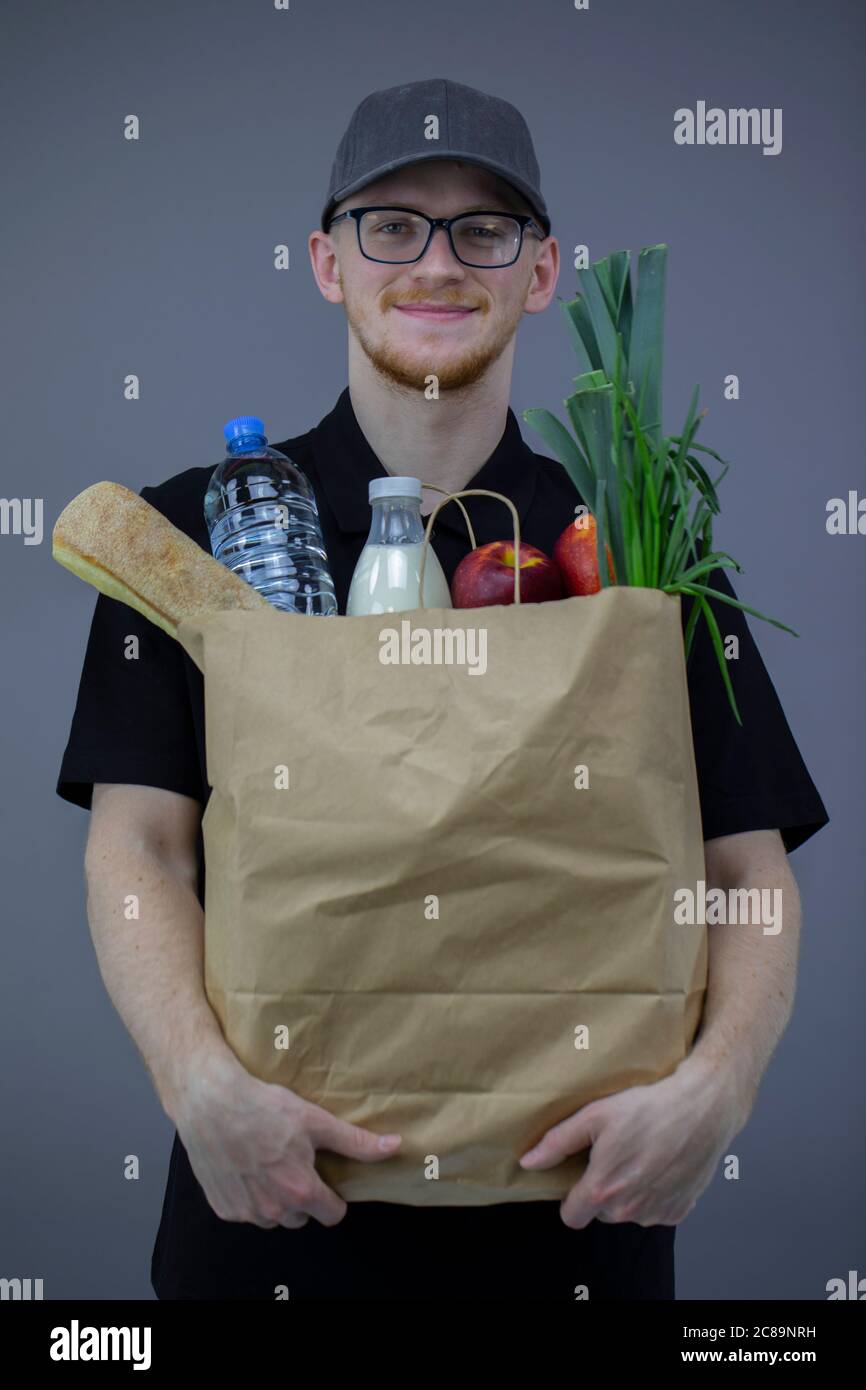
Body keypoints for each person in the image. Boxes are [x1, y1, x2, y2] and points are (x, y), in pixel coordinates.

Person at [56, 77, 829, 1300]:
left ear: (540, 270)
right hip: (269, 1233)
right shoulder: (195, 538)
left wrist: (716, 1089)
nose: (435, 261)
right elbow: (140, 851)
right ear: (326, 261)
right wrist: (194, 1082)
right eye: (391, 223)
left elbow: (745, 870)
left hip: (577, 1243)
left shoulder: (638, 547)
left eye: (483, 228)